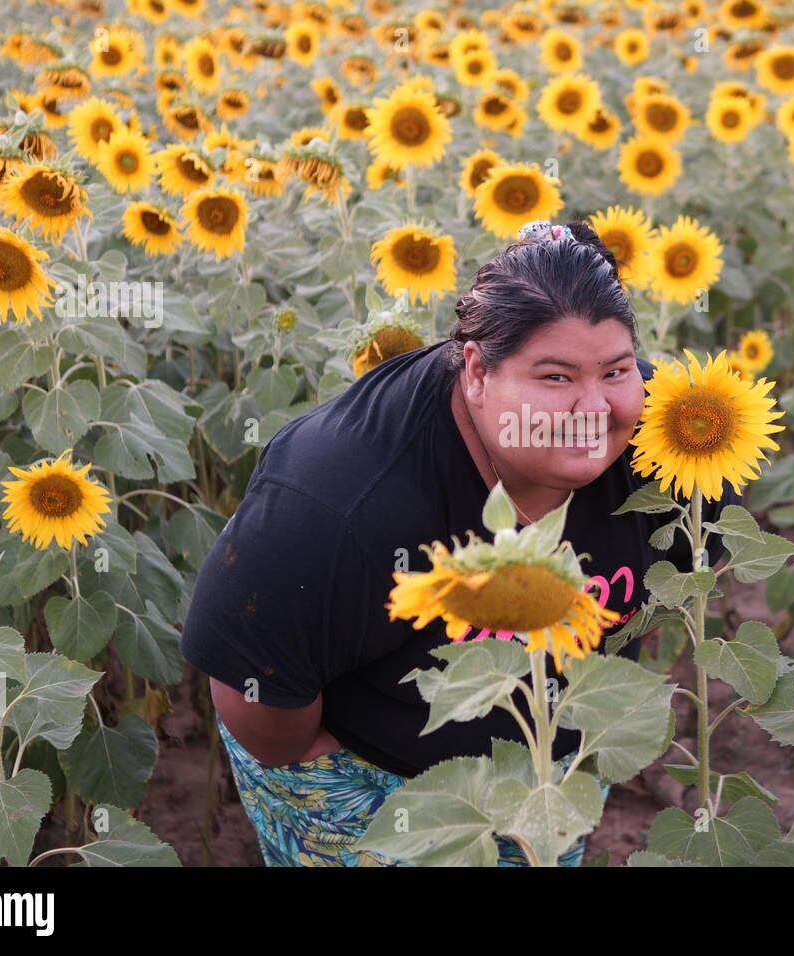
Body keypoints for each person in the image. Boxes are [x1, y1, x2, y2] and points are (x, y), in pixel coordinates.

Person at [179, 218, 737, 866]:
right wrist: (333, 782)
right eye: (554, 379)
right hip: (364, 779)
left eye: (615, 370)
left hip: (550, 772)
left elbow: (687, 570)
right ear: (475, 369)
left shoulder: (670, 442)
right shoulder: (341, 496)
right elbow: (255, 691)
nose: (593, 407)